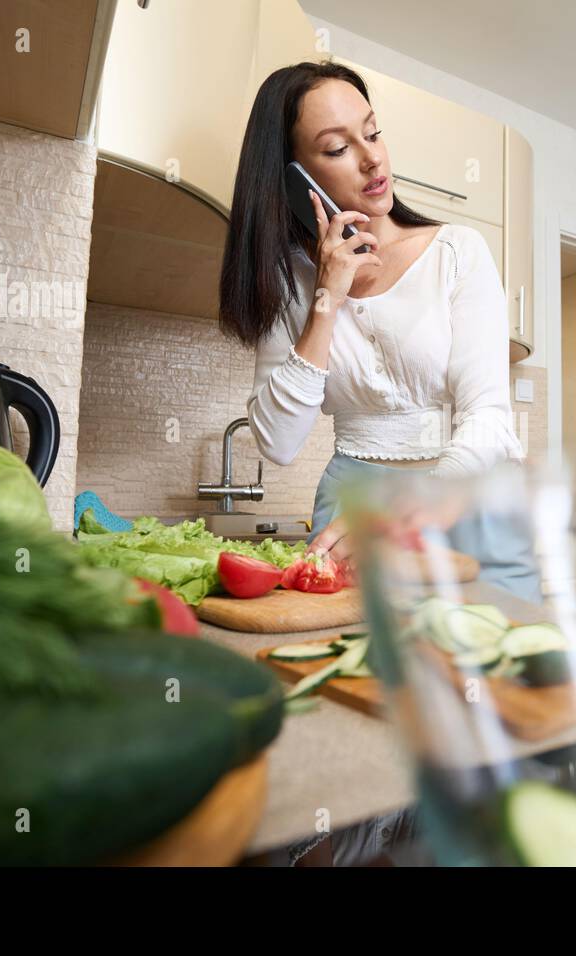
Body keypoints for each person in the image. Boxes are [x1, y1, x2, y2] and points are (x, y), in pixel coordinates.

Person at [218, 60, 541, 605]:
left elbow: (488, 415)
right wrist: (328, 296)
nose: (373, 158)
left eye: (372, 131)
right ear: (294, 175)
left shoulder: (457, 252)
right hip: (351, 504)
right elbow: (277, 441)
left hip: (467, 498)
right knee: (363, 677)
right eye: (338, 148)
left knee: (505, 670)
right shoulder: (293, 283)